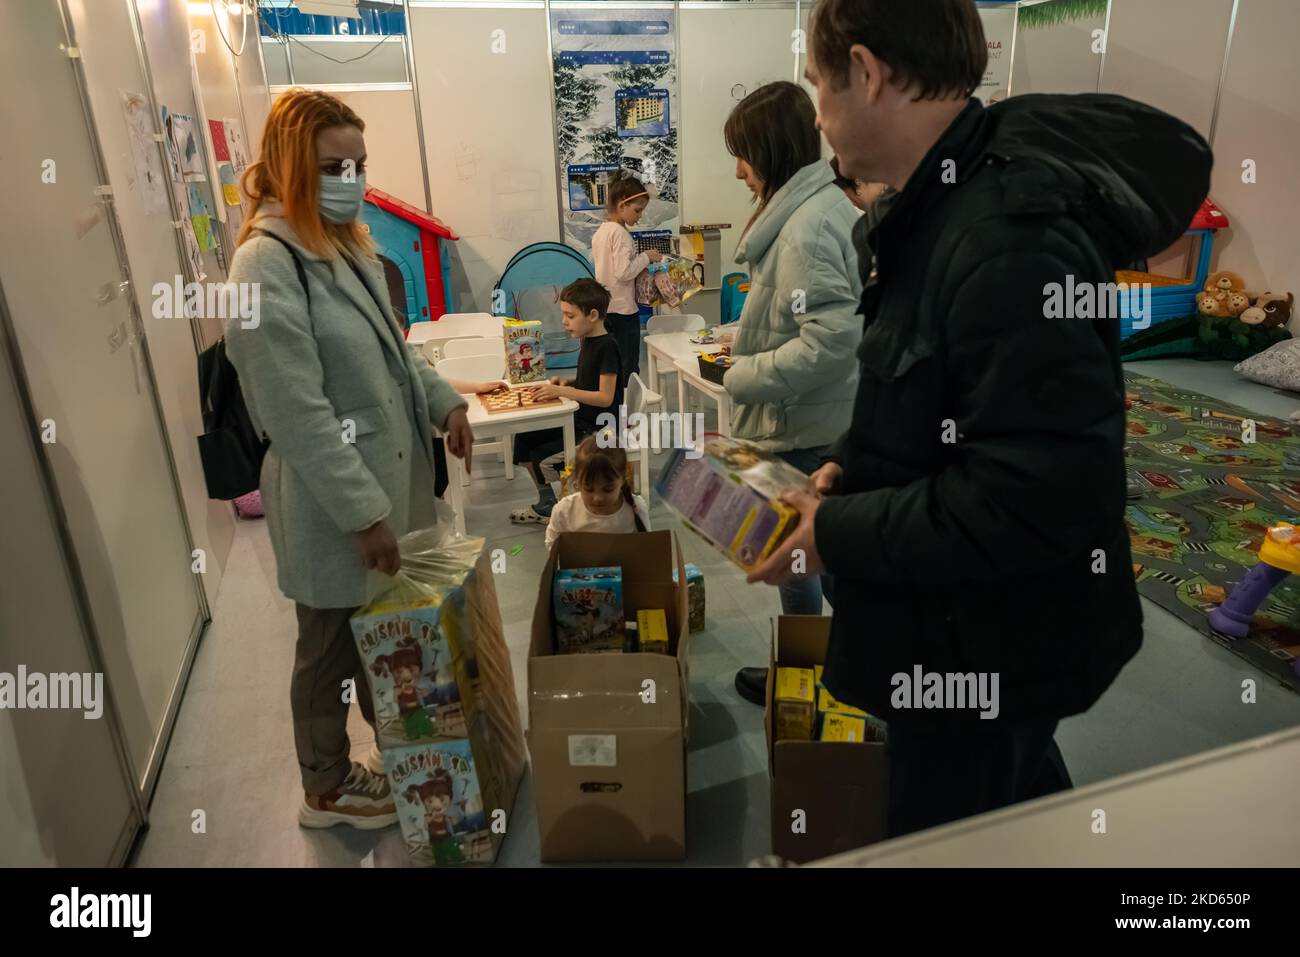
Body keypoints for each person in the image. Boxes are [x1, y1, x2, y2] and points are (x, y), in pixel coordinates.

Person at [748, 0, 1210, 837]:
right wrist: (849, 464)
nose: (816, 115)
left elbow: (1029, 496)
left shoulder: (1008, 239)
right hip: (955, 625)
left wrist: (835, 532)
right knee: (1014, 795)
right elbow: (931, 393)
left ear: (869, 72)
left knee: (951, 824)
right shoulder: (937, 211)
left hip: (989, 644)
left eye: (819, 84)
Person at [224, 89, 475, 830]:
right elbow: (292, 411)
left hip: (387, 478)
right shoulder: (263, 266)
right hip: (334, 499)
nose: (353, 178)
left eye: (359, 163)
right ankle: (325, 787)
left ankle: (401, 753)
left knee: (379, 636)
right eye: (335, 165)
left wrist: (444, 402)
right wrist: (363, 512)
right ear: (292, 167)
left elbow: (396, 348)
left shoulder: (341, 240)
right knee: (328, 647)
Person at [720, 81, 864, 707]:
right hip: (813, 421)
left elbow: (831, 339)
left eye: (744, 153)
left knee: (813, 563)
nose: (737, 170)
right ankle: (810, 674)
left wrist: (741, 374)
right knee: (804, 562)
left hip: (805, 431)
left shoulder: (805, 228)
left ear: (771, 151)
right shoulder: (815, 211)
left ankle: (835, 679)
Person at [510, 278, 623, 524]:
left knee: (542, 456)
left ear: (592, 315)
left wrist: (564, 393)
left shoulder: (607, 346)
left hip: (600, 430)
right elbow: (590, 383)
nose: (564, 322)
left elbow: (605, 398)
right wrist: (569, 383)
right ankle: (547, 504)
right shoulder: (589, 341)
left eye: (570, 316)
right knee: (523, 439)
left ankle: (570, 509)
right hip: (581, 419)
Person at [591, 174, 661, 386]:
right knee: (628, 367)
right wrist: (646, 257)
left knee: (610, 367)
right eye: (637, 210)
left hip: (606, 308)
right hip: (623, 311)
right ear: (622, 205)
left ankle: (614, 410)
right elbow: (623, 272)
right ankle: (628, 413)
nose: (638, 217)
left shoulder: (601, 232)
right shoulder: (620, 234)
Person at [545, 434, 650, 549]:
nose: (598, 498)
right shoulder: (564, 511)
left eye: (608, 489)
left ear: (623, 479)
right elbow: (552, 543)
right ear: (577, 483)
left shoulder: (635, 508)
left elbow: (645, 546)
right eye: (589, 489)